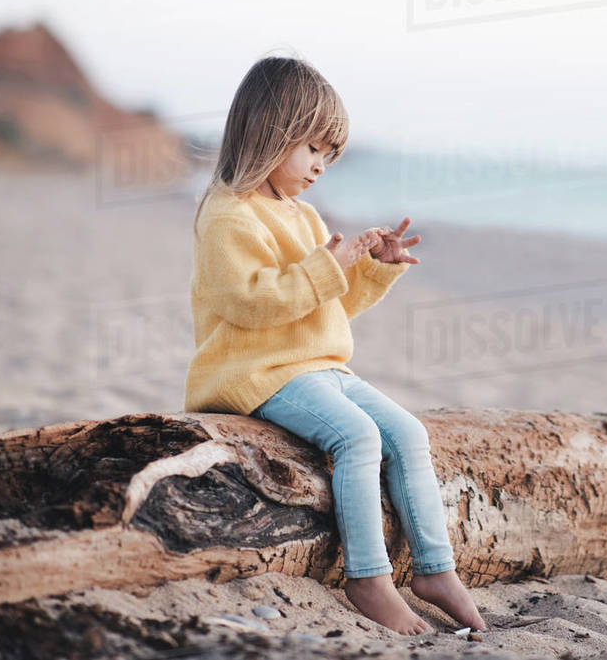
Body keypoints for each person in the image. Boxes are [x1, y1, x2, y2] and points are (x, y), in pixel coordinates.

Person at [184, 55, 486, 636]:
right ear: (269, 131)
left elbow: (328, 304)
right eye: (312, 149)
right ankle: (368, 578)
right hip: (255, 371)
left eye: (330, 155)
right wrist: (328, 264)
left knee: (409, 433)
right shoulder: (228, 215)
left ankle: (434, 568)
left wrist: (370, 268)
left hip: (318, 366)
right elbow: (252, 302)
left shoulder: (303, 213)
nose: (321, 166)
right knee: (358, 436)